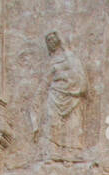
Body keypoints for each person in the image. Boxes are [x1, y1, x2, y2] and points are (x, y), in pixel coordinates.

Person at [35, 31, 89, 162]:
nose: (51, 42)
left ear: (59, 40)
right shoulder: (52, 61)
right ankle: (52, 151)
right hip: (55, 94)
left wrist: (71, 86)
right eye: (48, 41)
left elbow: (80, 77)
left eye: (53, 39)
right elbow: (46, 80)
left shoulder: (70, 57)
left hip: (71, 95)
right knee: (52, 120)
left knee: (72, 123)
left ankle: (71, 152)